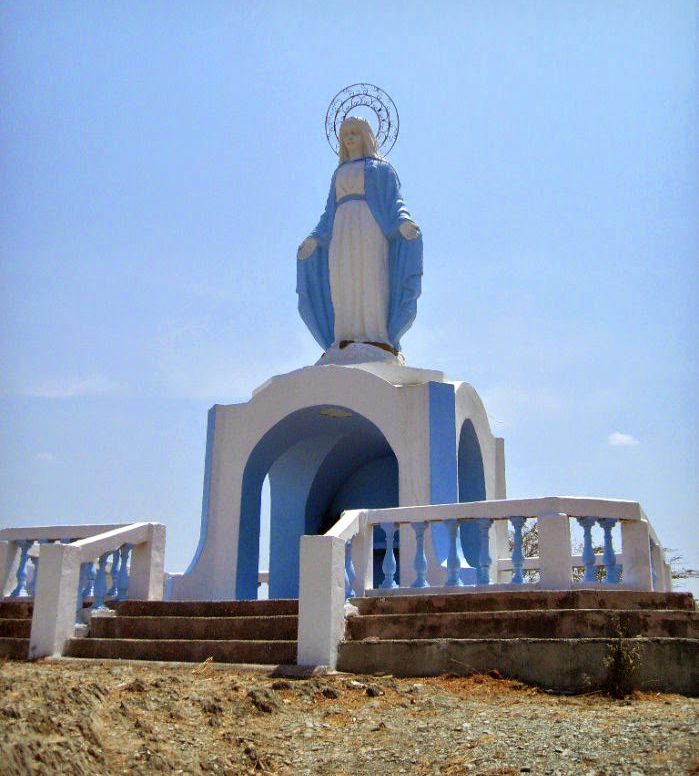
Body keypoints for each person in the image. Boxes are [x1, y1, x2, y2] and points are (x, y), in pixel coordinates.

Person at [296, 117, 422, 358]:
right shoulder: (339, 173)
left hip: (369, 227)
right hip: (341, 232)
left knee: (371, 276)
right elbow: (328, 213)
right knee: (344, 280)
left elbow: (395, 202)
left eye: (355, 132)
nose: (350, 138)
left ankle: (376, 337)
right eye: (346, 134)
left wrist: (403, 222)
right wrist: (314, 238)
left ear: (365, 136)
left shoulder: (382, 168)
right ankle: (345, 336)